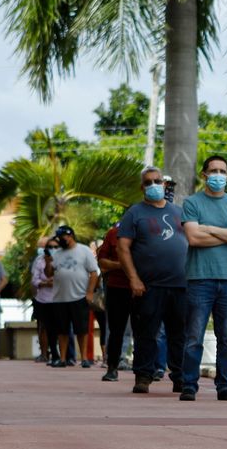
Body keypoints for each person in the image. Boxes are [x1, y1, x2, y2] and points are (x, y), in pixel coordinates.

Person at [179, 156, 227, 401]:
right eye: (213, 171)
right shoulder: (192, 203)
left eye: (222, 171)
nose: (218, 175)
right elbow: (193, 238)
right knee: (194, 337)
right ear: (204, 174)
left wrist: (208, 228)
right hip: (199, 279)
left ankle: (224, 386)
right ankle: (189, 384)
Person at [117, 167, 188, 394]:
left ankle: (180, 377)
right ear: (142, 187)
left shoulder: (179, 212)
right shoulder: (134, 213)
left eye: (157, 181)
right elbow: (123, 248)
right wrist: (134, 279)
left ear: (165, 185)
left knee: (180, 334)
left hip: (180, 285)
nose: (154, 185)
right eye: (148, 182)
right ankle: (143, 376)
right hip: (148, 286)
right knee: (146, 333)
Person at [47, 225, 101, 368]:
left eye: (62, 237)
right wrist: (48, 261)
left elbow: (94, 273)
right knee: (62, 330)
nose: (60, 240)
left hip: (79, 296)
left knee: (81, 330)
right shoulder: (57, 254)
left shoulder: (83, 251)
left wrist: (90, 292)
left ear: (70, 236)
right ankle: (63, 358)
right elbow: (49, 274)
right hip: (60, 298)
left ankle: (83, 358)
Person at [96, 224, 134, 381]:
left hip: (145, 287)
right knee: (116, 330)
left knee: (145, 329)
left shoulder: (150, 233)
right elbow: (102, 262)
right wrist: (121, 264)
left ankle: (145, 370)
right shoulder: (113, 233)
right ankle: (112, 367)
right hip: (117, 287)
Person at [32, 238, 60, 365]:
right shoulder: (39, 261)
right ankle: (44, 354)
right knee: (43, 327)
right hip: (42, 299)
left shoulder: (63, 259)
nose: (52, 249)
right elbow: (34, 280)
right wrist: (44, 283)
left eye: (55, 246)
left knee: (60, 328)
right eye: (50, 247)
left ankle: (63, 355)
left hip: (59, 298)